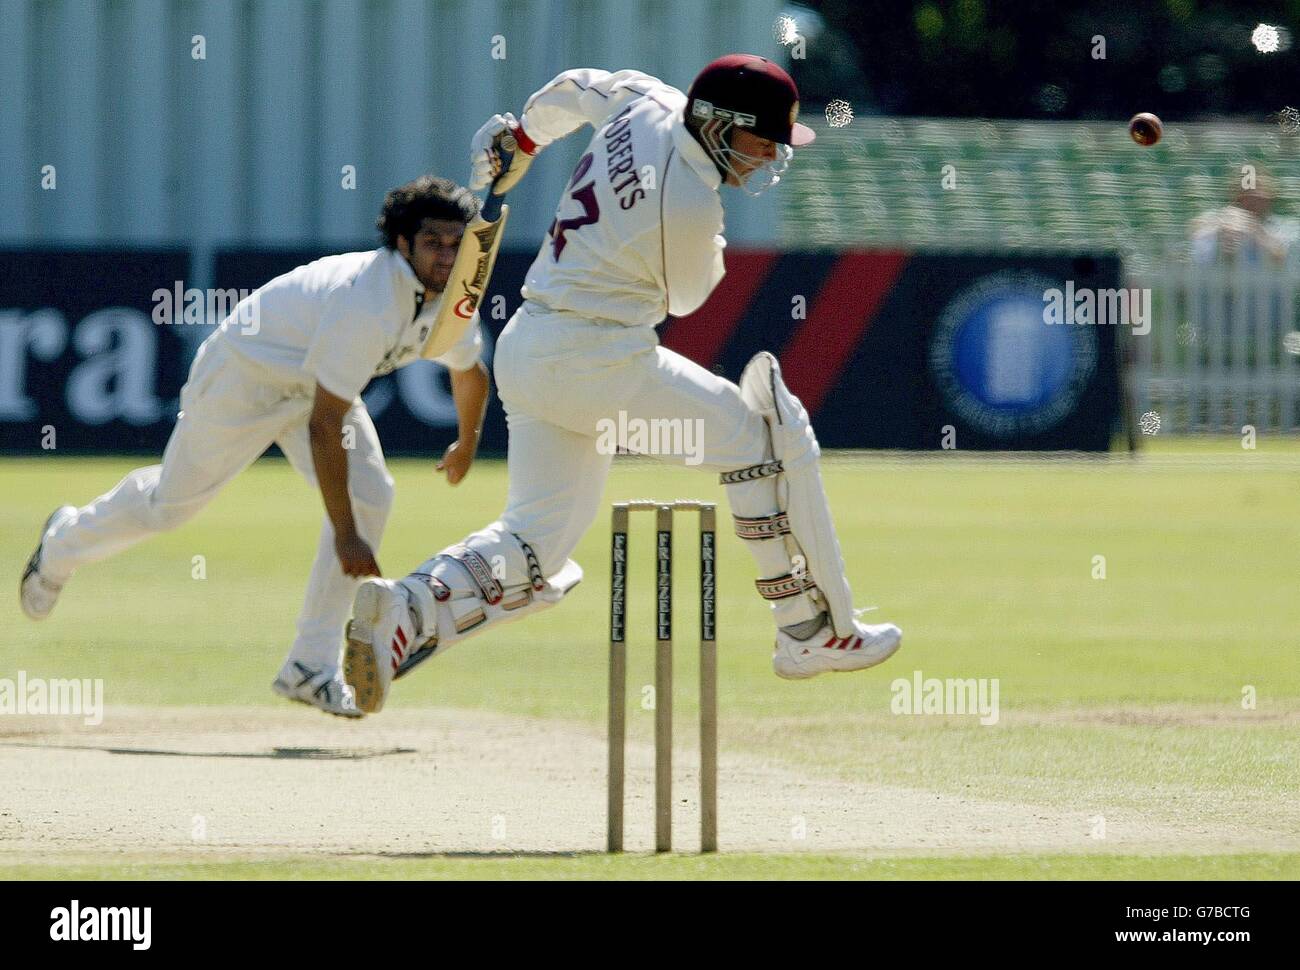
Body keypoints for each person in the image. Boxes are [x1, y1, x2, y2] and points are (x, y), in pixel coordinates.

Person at [342, 54, 903, 715]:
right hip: (598, 363)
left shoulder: (645, 101)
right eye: (760, 144)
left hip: (531, 346)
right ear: (719, 128)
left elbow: (573, 88)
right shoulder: (691, 206)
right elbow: (691, 296)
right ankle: (809, 631)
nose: (765, 160)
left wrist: (522, 140)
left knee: (535, 545)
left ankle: (404, 609)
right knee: (759, 440)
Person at [20, 176, 491, 718]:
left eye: (457, 244)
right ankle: (61, 545)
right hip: (244, 376)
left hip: (310, 388)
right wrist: (344, 536)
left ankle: (309, 667)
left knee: (373, 497)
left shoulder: (455, 296)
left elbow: (469, 371)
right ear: (402, 244)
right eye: (434, 242)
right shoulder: (368, 299)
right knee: (169, 508)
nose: (447, 255)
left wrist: (466, 443)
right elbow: (326, 425)